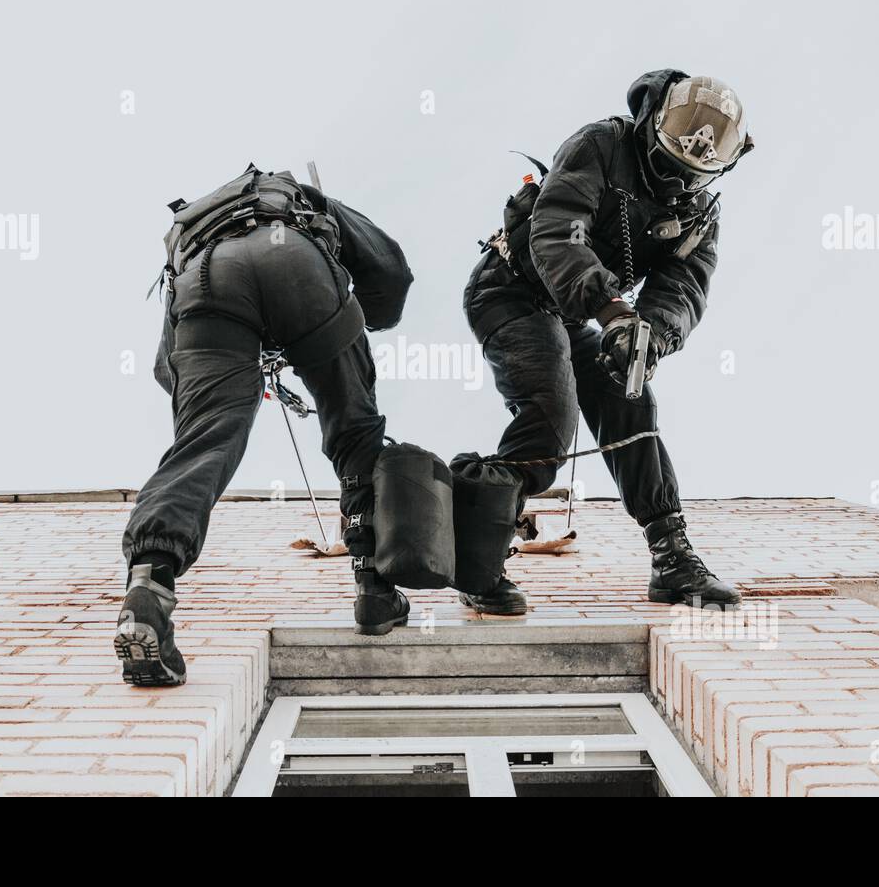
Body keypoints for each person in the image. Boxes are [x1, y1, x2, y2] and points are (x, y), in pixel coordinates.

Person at [461, 70, 754, 613]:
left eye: (693, 176)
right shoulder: (599, 145)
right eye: (668, 166)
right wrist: (614, 312)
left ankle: (672, 558)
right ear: (654, 125)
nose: (678, 183)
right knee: (552, 418)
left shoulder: (698, 216)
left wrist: (648, 338)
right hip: (511, 289)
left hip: (575, 314)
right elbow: (557, 230)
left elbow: (682, 289)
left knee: (630, 399)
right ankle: (476, 555)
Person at [116, 166, 414, 686]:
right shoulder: (302, 199)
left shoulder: (193, 231)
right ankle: (374, 586)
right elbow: (389, 271)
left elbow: (170, 368)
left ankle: (150, 580)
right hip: (297, 263)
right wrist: (365, 318)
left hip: (207, 282)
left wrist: (221, 386)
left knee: (204, 440)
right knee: (354, 431)